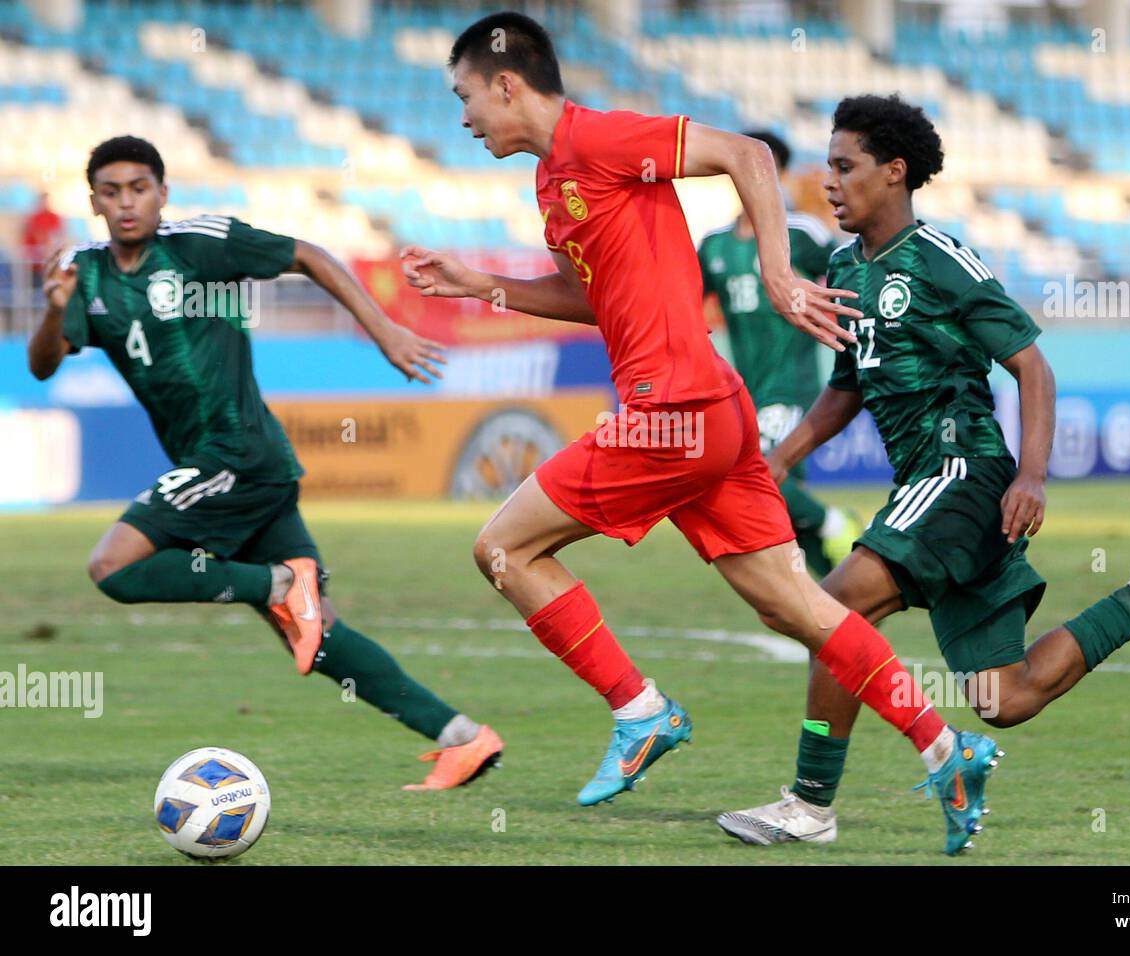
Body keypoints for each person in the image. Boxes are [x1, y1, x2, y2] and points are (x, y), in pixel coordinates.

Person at [401, 12, 1002, 854]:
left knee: (506, 549)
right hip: (711, 414)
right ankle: (948, 749)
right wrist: (480, 286)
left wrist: (775, 269)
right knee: (795, 605)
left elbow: (747, 155)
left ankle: (640, 710)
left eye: (466, 97)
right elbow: (596, 303)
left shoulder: (602, 140)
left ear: (507, 83)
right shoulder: (551, 184)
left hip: (671, 412)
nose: (463, 118)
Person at [717, 95, 1130, 846]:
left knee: (831, 610)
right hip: (928, 488)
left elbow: (1033, 368)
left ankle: (810, 806)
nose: (829, 183)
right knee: (1007, 696)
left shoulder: (939, 258)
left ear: (894, 172)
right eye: (827, 167)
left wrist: (1031, 476)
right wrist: (779, 461)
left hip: (963, 472)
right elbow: (846, 386)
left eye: (845, 166)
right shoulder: (844, 266)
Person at [28, 135, 502, 792]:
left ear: (162, 193)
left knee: (112, 565)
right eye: (111, 192)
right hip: (240, 467)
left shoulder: (201, 244)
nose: (126, 202)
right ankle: (464, 738)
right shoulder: (85, 274)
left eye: (139, 188)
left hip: (236, 454)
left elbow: (308, 255)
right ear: (95, 202)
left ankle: (279, 582)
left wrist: (385, 329)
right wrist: (53, 311)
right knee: (316, 631)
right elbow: (45, 363)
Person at [697, 129, 858, 577]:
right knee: (783, 495)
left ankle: (835, 522)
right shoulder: (714, 245)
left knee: (757, 475)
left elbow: (852, 274)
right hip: (746, 388)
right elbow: (685, 301)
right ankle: (831, 604)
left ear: (778, 174)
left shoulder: (801, 233)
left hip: (793, 383)